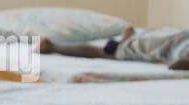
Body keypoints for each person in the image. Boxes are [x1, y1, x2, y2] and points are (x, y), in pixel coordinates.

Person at [39, 25, 189, 70]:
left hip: (169, 36)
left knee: (118, 48)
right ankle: (52, 46)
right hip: (156, 44)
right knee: (108, 53)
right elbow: (175, 66)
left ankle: (127, 38)